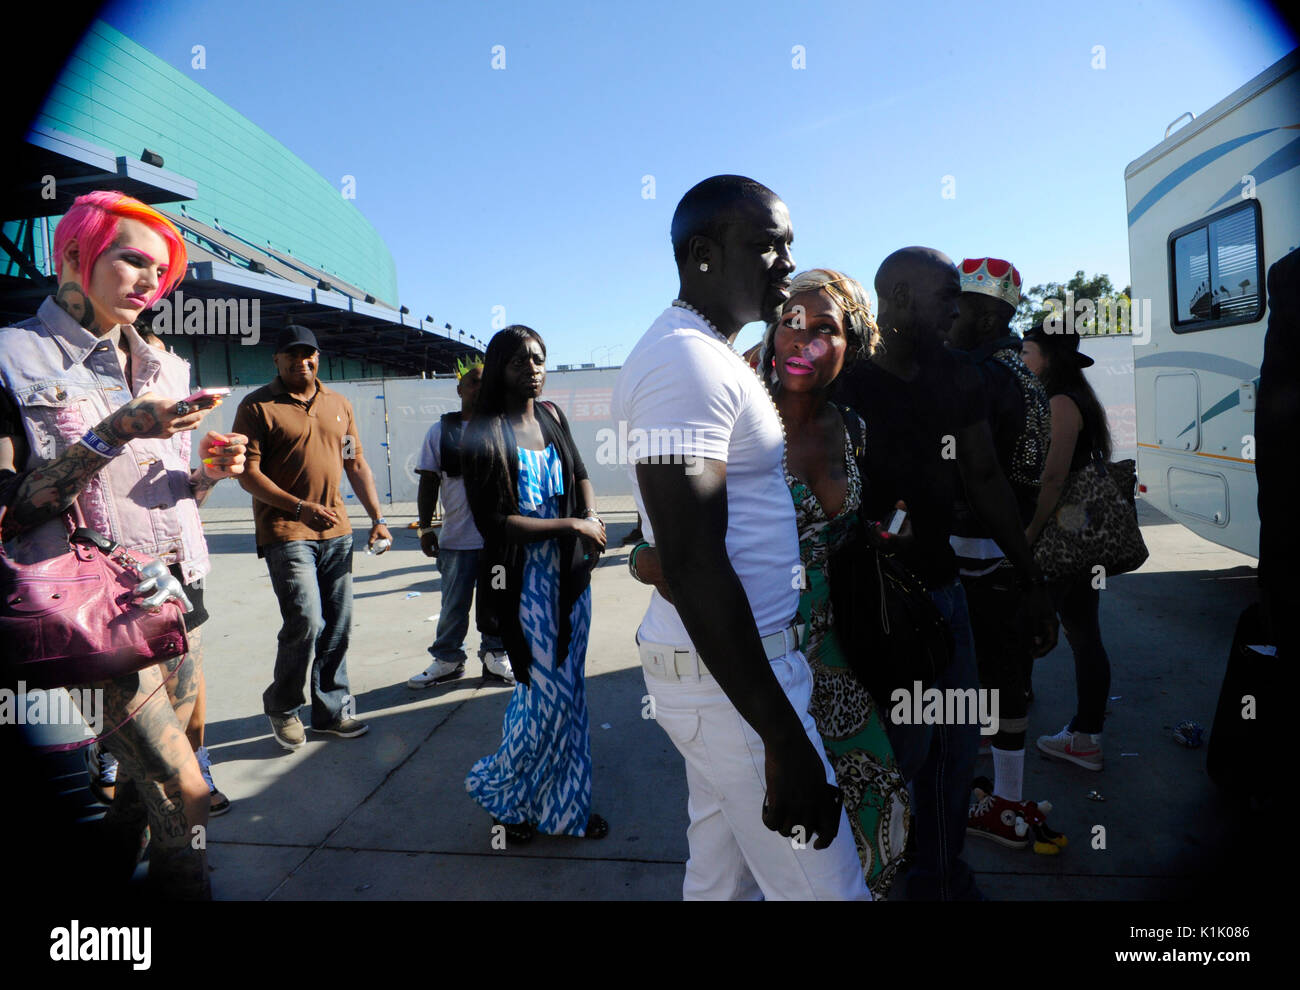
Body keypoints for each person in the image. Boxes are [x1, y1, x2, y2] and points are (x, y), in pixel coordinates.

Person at [613, 175, 869, 900]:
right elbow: (692, 563)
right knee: (830, 892)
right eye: (766, 246)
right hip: (732, 681)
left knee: (720, 885)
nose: (787, 264)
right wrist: (783, 740)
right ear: (701, 255)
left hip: (722, 675)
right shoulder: (683, 362)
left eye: (789, 244)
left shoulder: (709, 354)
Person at [0, 190, 247, 897]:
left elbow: (171, 497)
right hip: (98, 608)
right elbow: (14, 510)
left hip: (181, 593)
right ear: (76, 253)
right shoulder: (14, 358)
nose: (148, 281)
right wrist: (117, 430)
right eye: (130, 259)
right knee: (185, 794)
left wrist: (208, 474)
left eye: (159, 272)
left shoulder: (168, 368)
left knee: (150, 790)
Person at [833, 246, 1058, 900]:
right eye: (944, 297)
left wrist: (1031, 575)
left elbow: (984, 476)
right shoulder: (845, 382)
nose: (956, 310)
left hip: (943, 592)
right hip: (873, 608)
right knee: (897, 755)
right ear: (897, 299)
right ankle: (879, 882)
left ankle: (939, 879)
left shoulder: (958, 376)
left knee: (955, 754)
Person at [461, 325, 607, 842]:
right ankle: (501, 793)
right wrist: (572, 525)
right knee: (543, 698)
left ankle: (565, 808)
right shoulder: (483, 434)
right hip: (523, 586)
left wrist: (588, 513)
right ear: (500, 368)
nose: (534, 370)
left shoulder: (553, 416)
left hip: (569, 582)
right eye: (521, 362)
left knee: (569, 697)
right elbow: (495, 523)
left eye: (540, 360)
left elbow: (581, 470)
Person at [943, 257, 1060, 851]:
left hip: (978, 550)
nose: (948, 315)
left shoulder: (979, 375)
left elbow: (981, 474)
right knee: (1006, 677)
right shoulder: (1021, 369)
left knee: (967, 678)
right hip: (1008, 544)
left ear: (987, 313)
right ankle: (1007, 796)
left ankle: (989, 801)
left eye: (956, 305)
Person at [232, 325, 389, 749]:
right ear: (277, 360)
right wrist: (298, 507)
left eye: (310, 355)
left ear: (318, 357)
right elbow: (248, 473)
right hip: (286, 531)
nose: (303, 362)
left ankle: (330, 710)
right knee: (306, 620)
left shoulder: (338, 404)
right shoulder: (257, 406)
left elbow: (355, 464)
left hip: (336, 530)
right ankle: (283, 705)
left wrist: (377, 517)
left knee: (338, 624)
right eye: (293, 355)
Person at [1021, 325, 1113, 771]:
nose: (1022, 360)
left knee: (1024, 627)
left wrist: (1029, 533)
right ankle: (1085, 735)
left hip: (1061, 538)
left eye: (1027, 351)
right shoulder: (1080, 398)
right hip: (1081, 538)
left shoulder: (1059, 402)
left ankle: (1002, 724)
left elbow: (1053, 478)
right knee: (1083, 633)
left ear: (1048, 358)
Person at [408, 356, 512, 687]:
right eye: (473, 382)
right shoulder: (442, 431)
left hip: (496, 542)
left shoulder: (504, 427)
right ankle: (448, 659)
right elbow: (428, 481)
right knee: (453, 606)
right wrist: (425, 528)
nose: (480, 388)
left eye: (485, 382)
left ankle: (495, 655)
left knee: (497, 601)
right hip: (456, 542)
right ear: (459, 389)